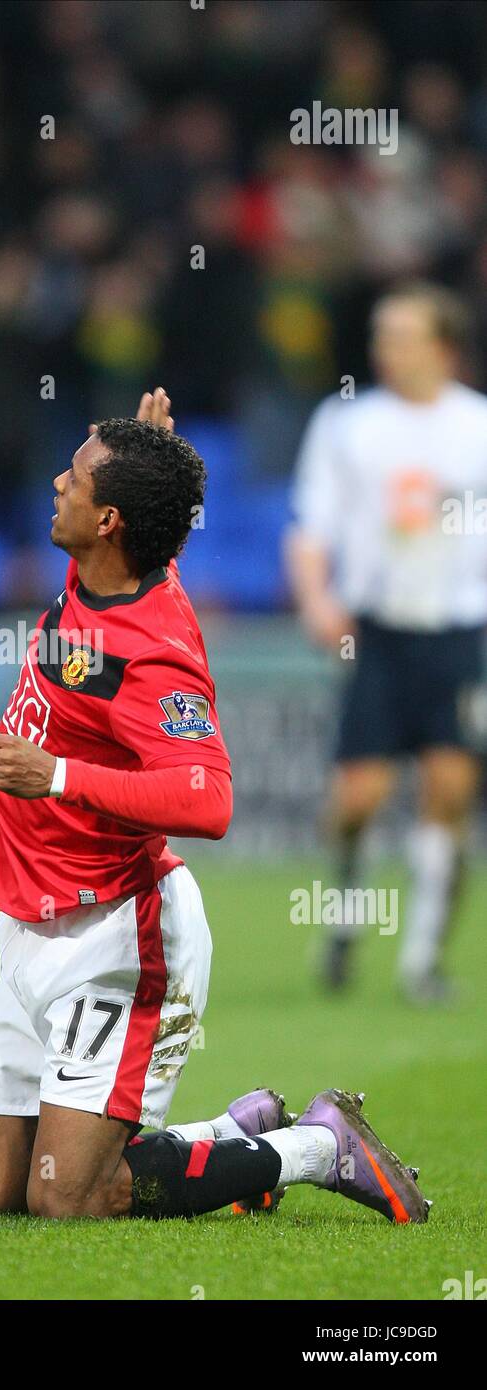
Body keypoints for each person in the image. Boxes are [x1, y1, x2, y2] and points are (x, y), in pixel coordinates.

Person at [0, 389, 427, 1224]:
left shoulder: (152, 656)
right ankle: (235, 1132)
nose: (59, 482)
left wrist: (52, 774)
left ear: (108, 523)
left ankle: (315, 1147)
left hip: (113, 934)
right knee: (1, 1196)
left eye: (78, 476)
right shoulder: (102, 566)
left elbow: (207, 801)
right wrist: (148, 456)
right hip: (29, 915)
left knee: (68, 1198)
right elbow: (143, 524)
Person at [287, 283, 487, 1001]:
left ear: (444, 346)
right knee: (357, 797)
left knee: (448, 789)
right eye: (380, 334)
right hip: (375, 629)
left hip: (458, 630)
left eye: (402, 334)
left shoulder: (477, 426)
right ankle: (343, 915)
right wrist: (316, 599)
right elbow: (308, 525)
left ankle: (422, 962)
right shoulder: (346, 424)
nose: (385, 349)